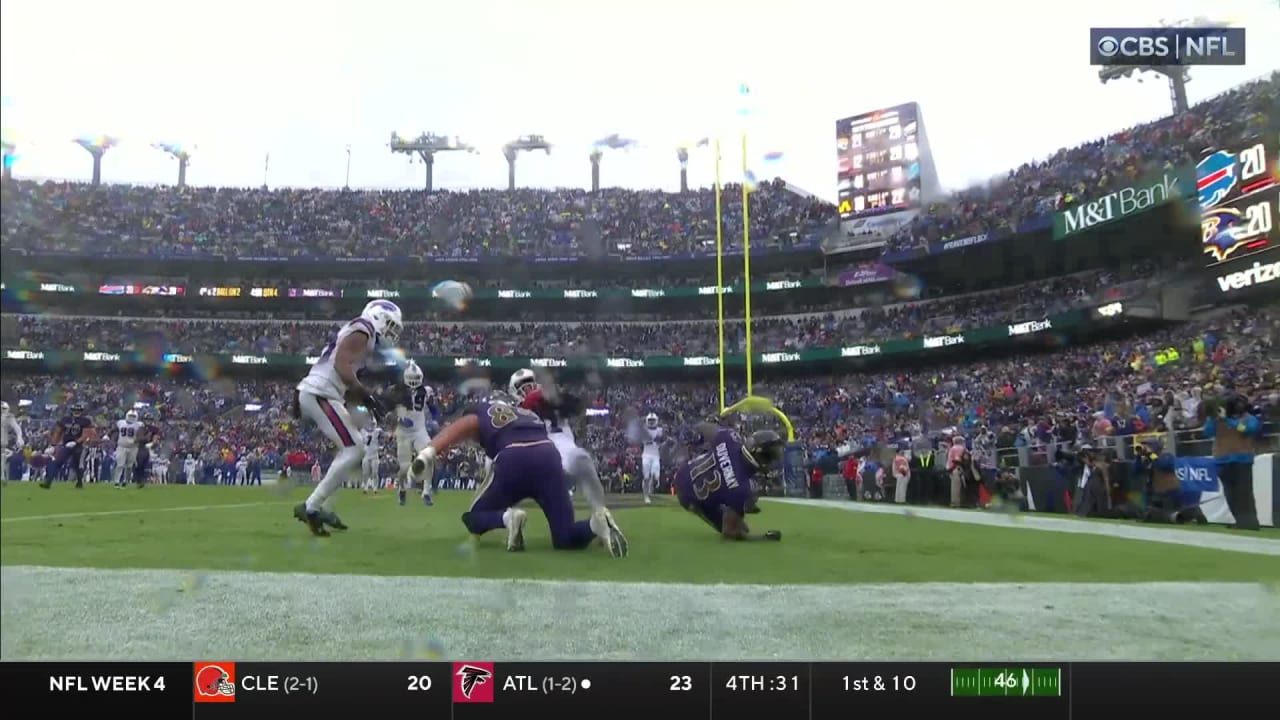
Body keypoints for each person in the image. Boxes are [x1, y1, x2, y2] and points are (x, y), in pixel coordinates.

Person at [411, 390, 628, 557]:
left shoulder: (481, 412)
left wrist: (427, 453)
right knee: (565, 536)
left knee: (473, 517)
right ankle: (596, 524)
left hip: (514, 458)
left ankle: (509, 518)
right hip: (548, 457)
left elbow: (454, 432)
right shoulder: (527, 414)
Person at [292, 300, 400, 537]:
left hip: (324, 393)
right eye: (390, 325)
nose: (392, 332)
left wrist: (366, 400)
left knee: (351, 450)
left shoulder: (363, 335)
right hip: (320, 392)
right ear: (378, 317)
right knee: (354, 449)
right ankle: (312, 507)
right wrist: (367, 395)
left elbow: (345, 377)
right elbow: (342, 365)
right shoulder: (364, 330)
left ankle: (325, 507)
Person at [674, 422, 786, 541]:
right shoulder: (742, 488)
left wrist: (697, 439)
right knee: (742, 528)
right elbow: (729, 533)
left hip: (683, 473)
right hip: (690, 497)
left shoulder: (729, 439)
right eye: (772, 455)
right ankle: (733, 504)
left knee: (738, 501)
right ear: (759, 454)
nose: (774, 460)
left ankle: (735, 503)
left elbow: (703, 427)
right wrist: (762, 538)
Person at [1202, 393, 1262, 530]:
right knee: (1230, 493)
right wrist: (1212, 417)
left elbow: (1247, 430)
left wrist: (1228, 420)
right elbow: (1207, 432)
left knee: (1244, 492)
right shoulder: (1218, 420)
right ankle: (1240, 521)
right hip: (1222, 459)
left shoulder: (1249, 419)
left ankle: (1250, 522)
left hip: (1242, 459)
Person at [386, 361, 435, 506]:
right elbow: (389, 414)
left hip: (419, 430)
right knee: (404, 467)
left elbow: (432, 407)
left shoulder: (426, 390)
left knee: (429, 456)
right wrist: (399, 418)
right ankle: (401, 489)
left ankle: (426, 491)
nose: (414, 383)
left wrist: (436, 418)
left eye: (416, 379)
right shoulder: (396, 391)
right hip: (403, 433)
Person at [42, 402, 95, 489]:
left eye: (78, 410)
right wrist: (53, 444)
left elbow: (86, 434)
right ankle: (48, 482)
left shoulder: (85, 421)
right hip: (66, 445)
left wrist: (76, 442)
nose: (76, 412)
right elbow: (58, 431)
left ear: (81, 411)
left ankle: (79, 482)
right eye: (75, 410)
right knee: (57, 462)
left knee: (78, 465)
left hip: (79, 446)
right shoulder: (66, 419)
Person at [112, 409, 144, 488]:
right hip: (121, 446)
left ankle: (126, 480)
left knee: (129, 466)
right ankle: (116, 481)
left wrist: (137, 439)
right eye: (130, 416)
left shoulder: (138, 425)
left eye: (133, 416)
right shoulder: (120, 423)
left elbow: (141, 434)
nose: (132, 418)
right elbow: (114, 431)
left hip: (133, 447)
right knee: (120, 464)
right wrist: (112, 439)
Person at [1, 401, 24, 482]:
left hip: (2, 443)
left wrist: (19, 437)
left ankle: (2, 477)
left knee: (2, 460)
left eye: (3, 409)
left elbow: (17, 428)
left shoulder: (8, 417)